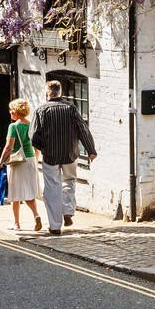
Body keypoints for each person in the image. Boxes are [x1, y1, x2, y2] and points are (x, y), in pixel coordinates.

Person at [30, 79, 97, 234]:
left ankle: (54, 226)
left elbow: (33, 135)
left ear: (47, 93)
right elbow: (83, 129)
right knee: (69, 180)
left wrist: (44, 147)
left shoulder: (41, 110)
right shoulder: (71, 108)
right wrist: (91, 150)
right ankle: (67, 211)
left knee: (52, 188)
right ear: (60, 92)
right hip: (70, 153)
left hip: (50, 156)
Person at [0, 98, 43, 232]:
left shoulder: (13, 126)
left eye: (11, 110)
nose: (10, 112)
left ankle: (16, 224)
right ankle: (36, 215)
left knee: (15, 193)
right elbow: (37, 146)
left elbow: (8, 147)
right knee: (29, 192)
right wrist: (35, 160)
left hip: (18, 162)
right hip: (31, 160)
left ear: (15, 112)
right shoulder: (32, 125)